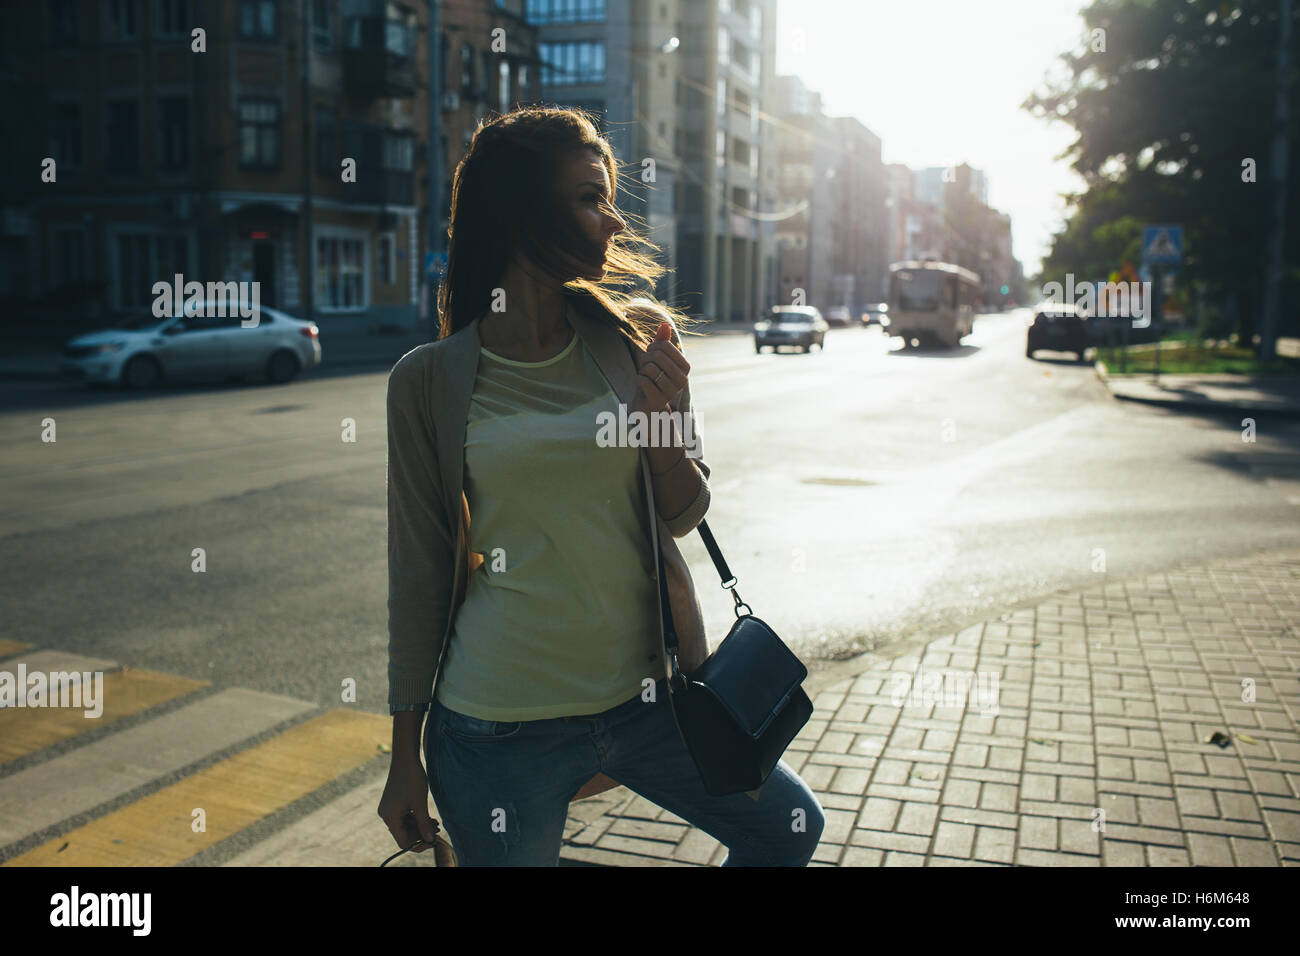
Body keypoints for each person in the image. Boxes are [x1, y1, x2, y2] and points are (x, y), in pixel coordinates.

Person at [377, 106, 824, 866]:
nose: (614, 222)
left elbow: (685, 512)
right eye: (591, 197)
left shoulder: (630, 341)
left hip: (647, 705)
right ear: (522, 211)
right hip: (495, 729)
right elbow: (417, 575)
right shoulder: (428, 381)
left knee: (788, 828)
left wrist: (660, 425)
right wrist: (402, 757)